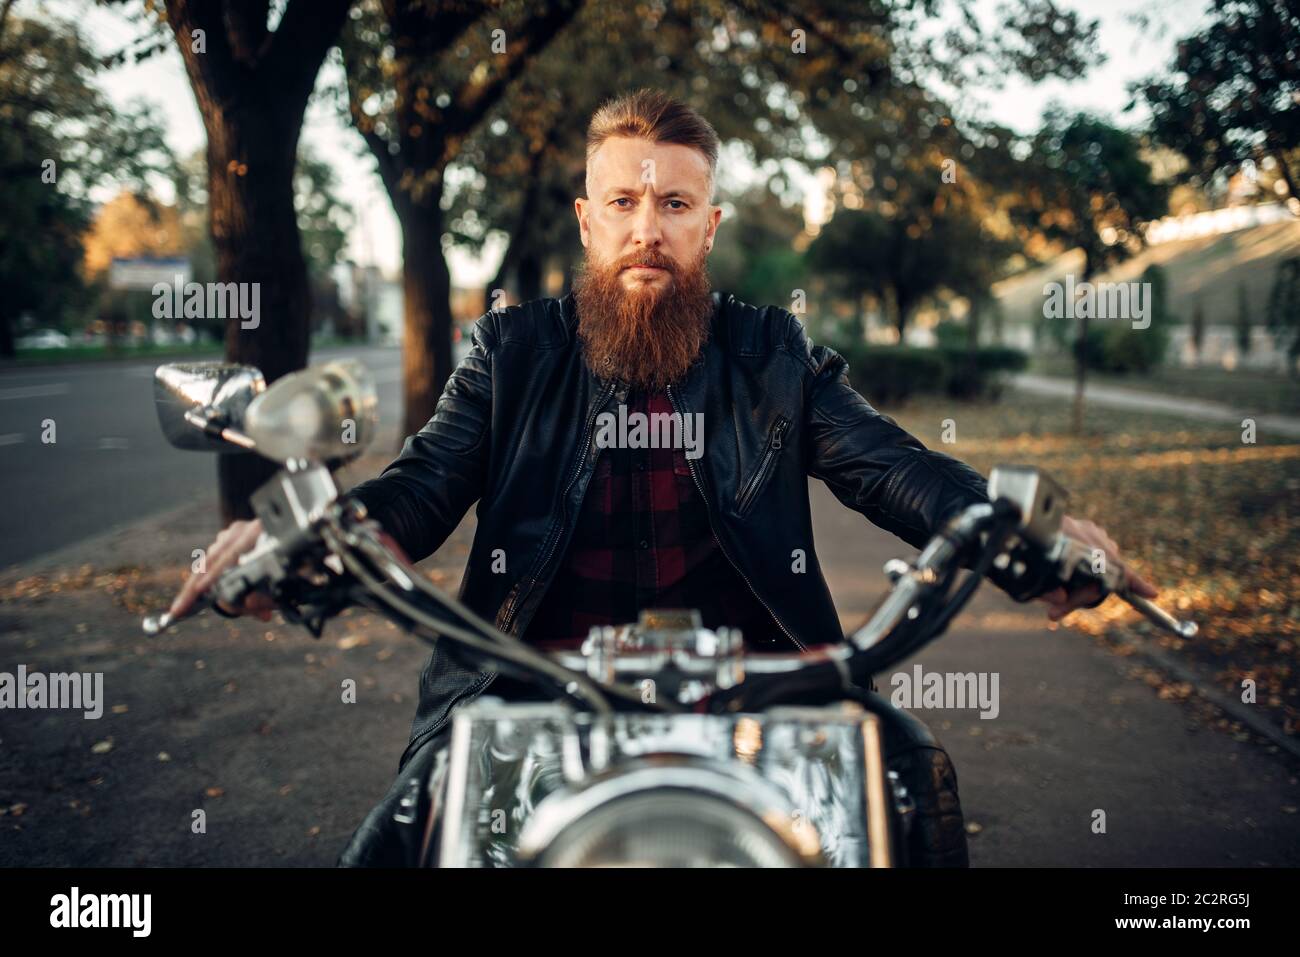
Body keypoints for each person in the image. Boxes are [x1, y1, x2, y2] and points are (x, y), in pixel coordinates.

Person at [167, 88, 1157, 867]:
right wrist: (305, 537)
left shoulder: (771, 352)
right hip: (522, 683)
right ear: (588, 221)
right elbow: (422, 486)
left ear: (708, 226)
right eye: (626, 203)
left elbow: (890, 465)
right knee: (410, 827)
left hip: (759, 687)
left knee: (906, 782)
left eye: (675, 204)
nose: (649, 227)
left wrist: (1027, 534)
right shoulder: (510, 352)